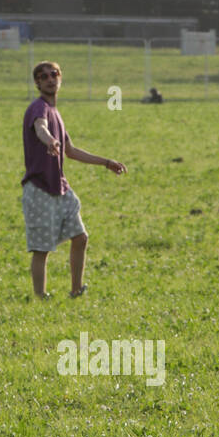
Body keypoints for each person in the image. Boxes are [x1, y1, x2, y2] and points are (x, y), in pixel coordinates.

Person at [22, 61, 126, 300]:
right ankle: (40, 296)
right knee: (41, 249)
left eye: (54, 74)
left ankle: (76, 290)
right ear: (37, 83)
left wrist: (106, 162)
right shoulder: (39, 108)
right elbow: (41, 127)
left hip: (60, 187)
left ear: (60, 78)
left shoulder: (56, 113)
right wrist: (49, 140)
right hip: (39, 188)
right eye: (43, 76)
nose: (50, 79)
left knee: (80, 238)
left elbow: (71, 150)